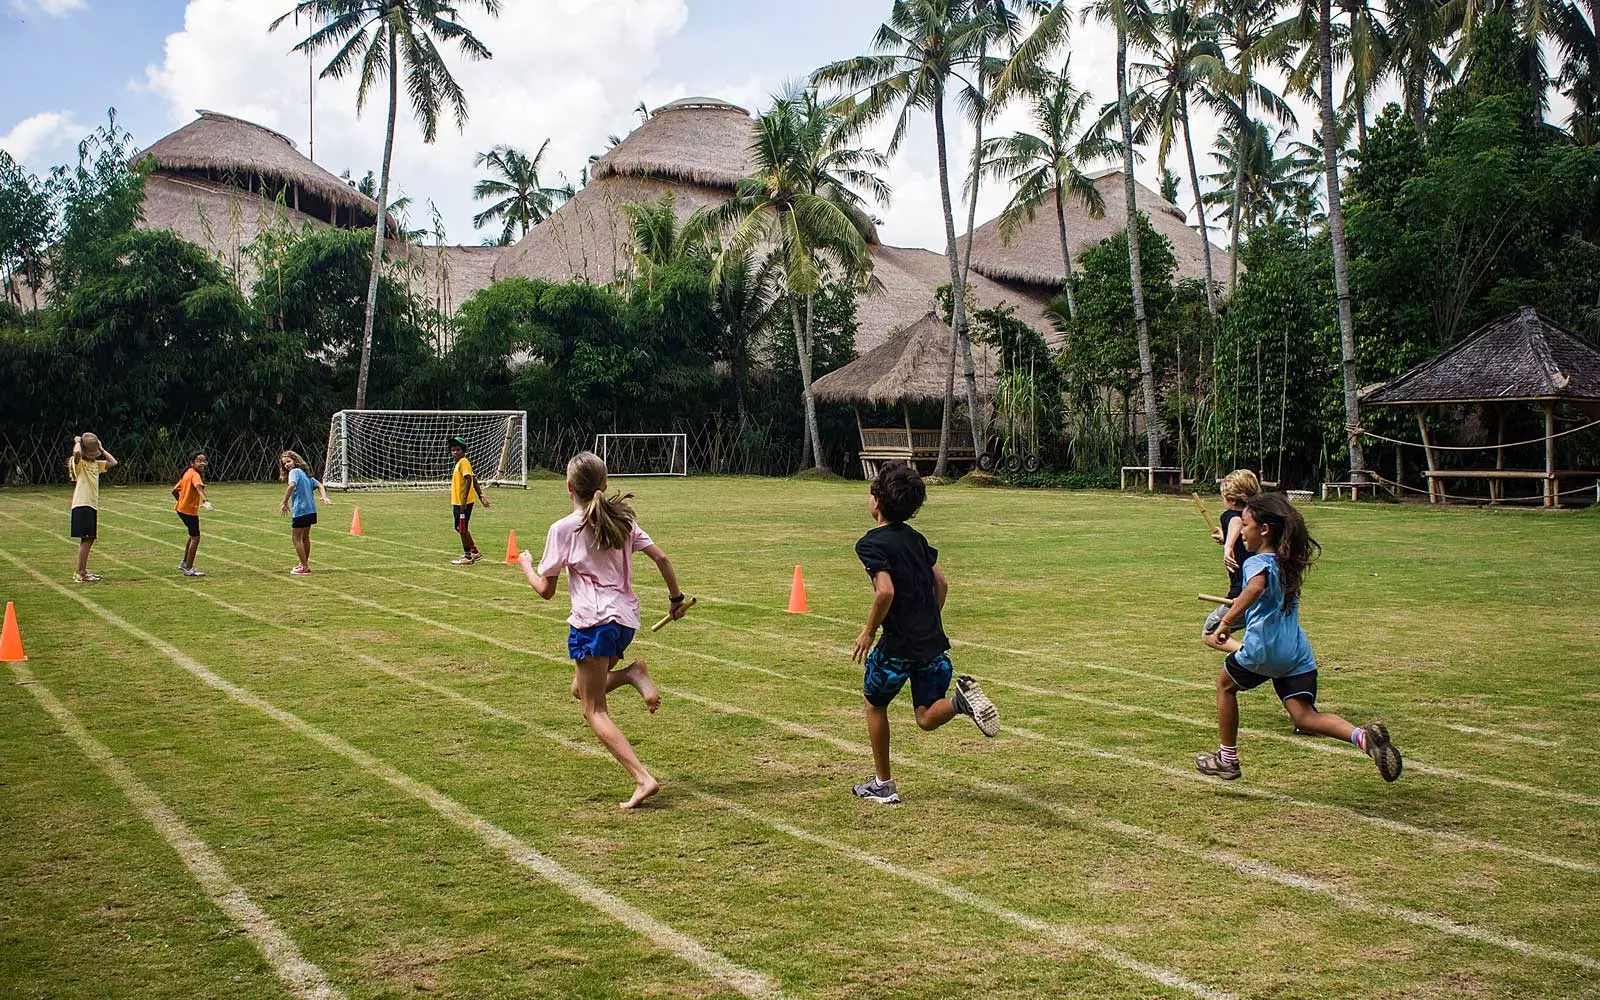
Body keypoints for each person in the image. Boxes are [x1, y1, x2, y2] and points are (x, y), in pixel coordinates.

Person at [518, 451, 684, 810]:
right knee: (579, 689)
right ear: (604, 485)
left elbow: (546, 591)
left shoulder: (564, 528)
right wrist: (676, 598)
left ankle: (643, 779)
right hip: (625, 622)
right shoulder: (622, 520)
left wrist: (525, 566)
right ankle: (632, 673)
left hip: (593, 624)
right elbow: (663, 558)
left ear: (568, 488)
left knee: (593, 710)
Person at [1198, 492, 1403, 783]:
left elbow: (1255, 588)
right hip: (1296, 650)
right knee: (1304, 716)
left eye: (1245, 525)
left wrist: (1228, 621)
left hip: (1265, 648)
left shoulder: (1256, 564)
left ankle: (1226, 759)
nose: (1241, 531)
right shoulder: (1287, 561)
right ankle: (1362, 738)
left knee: (1225, 686)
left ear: (1264, 530)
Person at [850, 461, 1000, 806]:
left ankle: (883, 784)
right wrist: (928, 620)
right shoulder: (916, 539)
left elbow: (884, 591)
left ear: (877, 502)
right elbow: (942, 582)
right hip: (931, 644)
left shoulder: (871, 543)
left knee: (875, 704)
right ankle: (959, 703)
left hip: (897, 646)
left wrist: (869, 632)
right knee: (925, 716)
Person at [1204, 469, 1261, 635]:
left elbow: (1236, 521)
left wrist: (1228, 546)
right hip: (1262, 590)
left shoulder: (1231, 515)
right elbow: (1241, 534)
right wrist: (1226, 539)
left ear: (1231, 499)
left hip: (1242, 592)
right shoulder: (1257, 519)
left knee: (1211, 631)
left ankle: (1245, 656)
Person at [67, 433, 118, 584]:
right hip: (82, 504)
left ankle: (82, 570)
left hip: (91, 505)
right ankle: (80, 572)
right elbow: (76, 453)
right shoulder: (79, 464)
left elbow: (113, 462)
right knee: (87, 539)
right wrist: (77, 442)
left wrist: (101, 449)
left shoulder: (95, 465)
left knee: (89, 538)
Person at [278, 451, 330, 576]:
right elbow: (319, 485)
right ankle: (304, 563)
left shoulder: (294, 473)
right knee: (305, 537)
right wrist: (324, 497)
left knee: (296, 538)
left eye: (288, 461)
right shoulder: (306, 474)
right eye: (284, 463)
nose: (287, 465)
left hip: (300, 510)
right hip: (311, 510)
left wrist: (284, 502)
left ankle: (304, 566)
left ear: (295, 461)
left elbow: (291, 486)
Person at [448, 436, 490, 565]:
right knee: (460, 527)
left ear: (463, 450)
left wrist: (464, 500)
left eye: (458, 449)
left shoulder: (464, 461)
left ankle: (469, 555)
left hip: (463, 502)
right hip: (458, 501)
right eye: (453, 450)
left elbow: (469, 479)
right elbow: (474, 478)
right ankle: (474, 552)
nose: (455, 452)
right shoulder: (459, 463)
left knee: (461, 528)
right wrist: (481, 496)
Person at [172, 451, 212, 577]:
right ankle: (188, 568)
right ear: (192, 462)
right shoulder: (195, 475)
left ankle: (184, 563)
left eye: (204, 461)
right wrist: (205, 501)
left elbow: (174, 491)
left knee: (192, 535)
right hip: (189, 511)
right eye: (199, 461)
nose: (202, 463)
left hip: (181, 509)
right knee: (196, 538)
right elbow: (199, 487)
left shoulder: (187, 473)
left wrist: (182, 500)